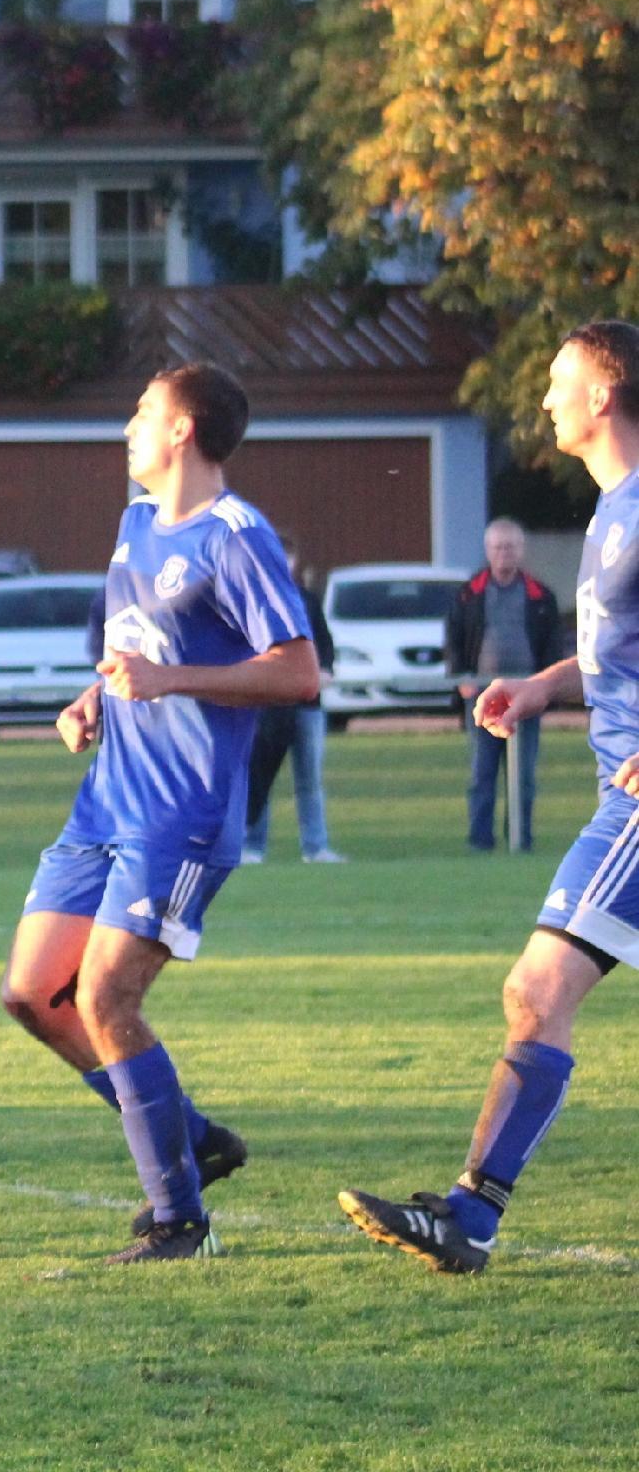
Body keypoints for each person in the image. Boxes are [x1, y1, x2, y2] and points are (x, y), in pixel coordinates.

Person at [0, 364, 320, 1262]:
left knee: (106, 998)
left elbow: (298, 673)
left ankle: (180, 1218)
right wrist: (92, 698)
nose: (128, 426)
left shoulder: (236, 536)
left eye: (142, 411)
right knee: (32, 995)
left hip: (179, 813)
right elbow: (134, 647)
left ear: (182, 429)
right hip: (105, 798)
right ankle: (194, 1137)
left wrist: (171, 681)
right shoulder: (136, 523)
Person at [341, 321, 639, 1274]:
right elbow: (615, 661)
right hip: (616, 788)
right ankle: (469, 1218)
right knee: (534, 991)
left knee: (536, 988)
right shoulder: (610, 513)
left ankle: (468, 1218)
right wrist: (546, 687)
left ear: (606, 391)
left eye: (559, 380)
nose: (543, 398)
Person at [447, 517, 563, 853]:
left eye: (510, 547)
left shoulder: (541, 596)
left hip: (526, 698)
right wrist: (462, 677)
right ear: (488, 551)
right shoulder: (469, 595)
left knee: (523, 775)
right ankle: (480, 841)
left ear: (521, 550)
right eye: (498, 547)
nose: (504, 554)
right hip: (483, 698)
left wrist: (547, 685)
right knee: (482, 773)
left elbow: (553, 644)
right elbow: (453, 640)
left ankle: (520, 838)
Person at [242, 560, 342, 863]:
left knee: (309, 779)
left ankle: (315, 847)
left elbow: (324, 644)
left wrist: (325, 669)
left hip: (307, 706)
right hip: (268, 708)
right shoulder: (253, 603)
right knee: (260, 775)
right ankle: (252, 846)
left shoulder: (307, 601)